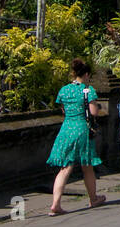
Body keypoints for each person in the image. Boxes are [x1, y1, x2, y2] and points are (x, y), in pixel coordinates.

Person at [46, 58, 107, 216]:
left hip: (66, 129)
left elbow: (64, 111)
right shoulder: (88, 90)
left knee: (65, 167)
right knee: (87, 166)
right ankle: (93, 198)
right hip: (82, 130)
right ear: (86, 74)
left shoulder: (64, 90)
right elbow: (93, 112)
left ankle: (55, 203)